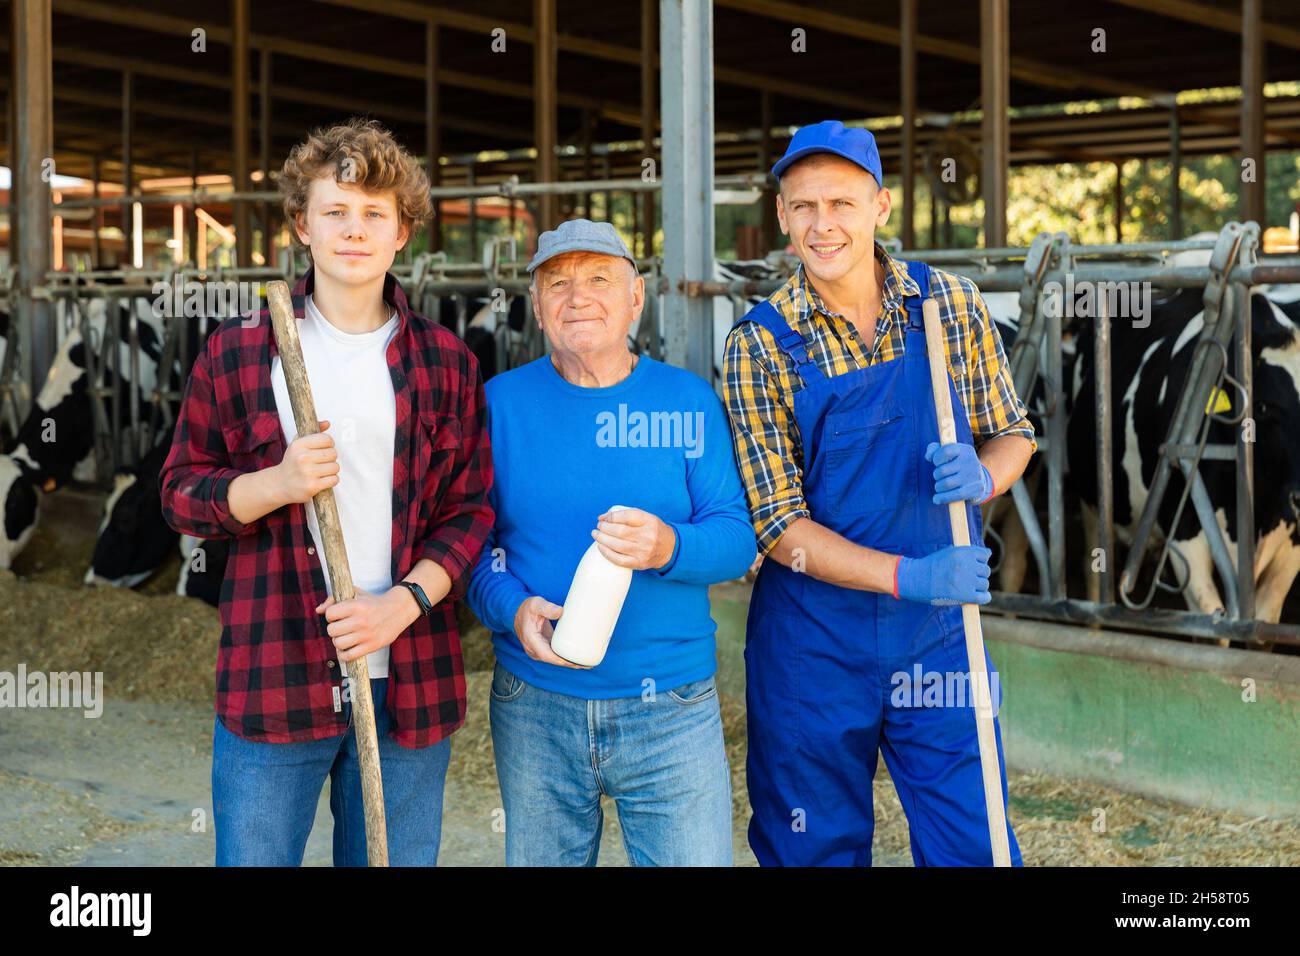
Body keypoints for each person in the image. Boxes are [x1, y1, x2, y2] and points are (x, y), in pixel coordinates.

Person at [160, 118, 494, 866]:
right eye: (335, 210)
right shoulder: (242, 349)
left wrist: (400, 604)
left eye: (375, 213)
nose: (355, 229)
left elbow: (470, 512)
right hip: (274, 672)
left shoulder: (446, 362)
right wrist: (273, 483)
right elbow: (181, 495)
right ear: (301, 224)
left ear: (403, 231)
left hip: (409, 680)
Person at [723, 120, 1036, 866]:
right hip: (812, 645)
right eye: (803, 207)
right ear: (782, 218)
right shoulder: (759, 345)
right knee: (813, 847)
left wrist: (987, 472)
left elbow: (1013, 432)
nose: (822, 224)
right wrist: (908, 575)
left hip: (938, 637)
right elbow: (777, 527)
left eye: (841, 202)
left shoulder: (948, 305)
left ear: (880, 206)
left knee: (977, 843)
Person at [467, 219, 756, 866]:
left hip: (672, 709)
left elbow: (737, 539)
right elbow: (471, 547)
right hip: (535, 702)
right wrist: (510, 607)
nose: (577, 297)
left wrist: (668, 547)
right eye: (558, 282)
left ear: (635, 298)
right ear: (536, 307)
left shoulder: (687, 402)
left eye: (600, 278)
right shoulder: (497, 406)